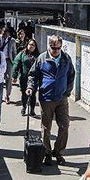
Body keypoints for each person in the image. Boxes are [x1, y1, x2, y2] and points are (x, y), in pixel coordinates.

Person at [26, 35, 75, 166]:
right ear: (49, 46)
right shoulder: (42, 58)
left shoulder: (66, 59)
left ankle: (58, 152)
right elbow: (33, 75)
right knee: (46, 128)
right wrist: (31, 87)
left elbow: (71, 76)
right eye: (53, 48)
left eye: (58, 48)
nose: (55, 51)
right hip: (46, 98)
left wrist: (67, 92)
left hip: (61, 98)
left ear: (61, 46)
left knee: (64, 126)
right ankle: (47, 153)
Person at [12, 38, 40, 116]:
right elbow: (15, 64)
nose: (31, 46)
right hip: (24, 78)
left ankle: (32, 110)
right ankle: (24, 107)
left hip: (34, 79)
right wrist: (14, 76)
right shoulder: (22, 54)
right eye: (30, 44)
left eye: (33, 45)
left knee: (33, 94)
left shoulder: (38, 56)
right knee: (24, 94)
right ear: (27, 45)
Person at [0, 27, 17, 104]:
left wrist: (14, 62)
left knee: (8, 78)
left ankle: (7, 95)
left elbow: (14, 51)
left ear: (8, 33)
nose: (4, 35)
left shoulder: (12, 40)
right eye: (3, 33)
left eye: (6, 33)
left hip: (8, 60)